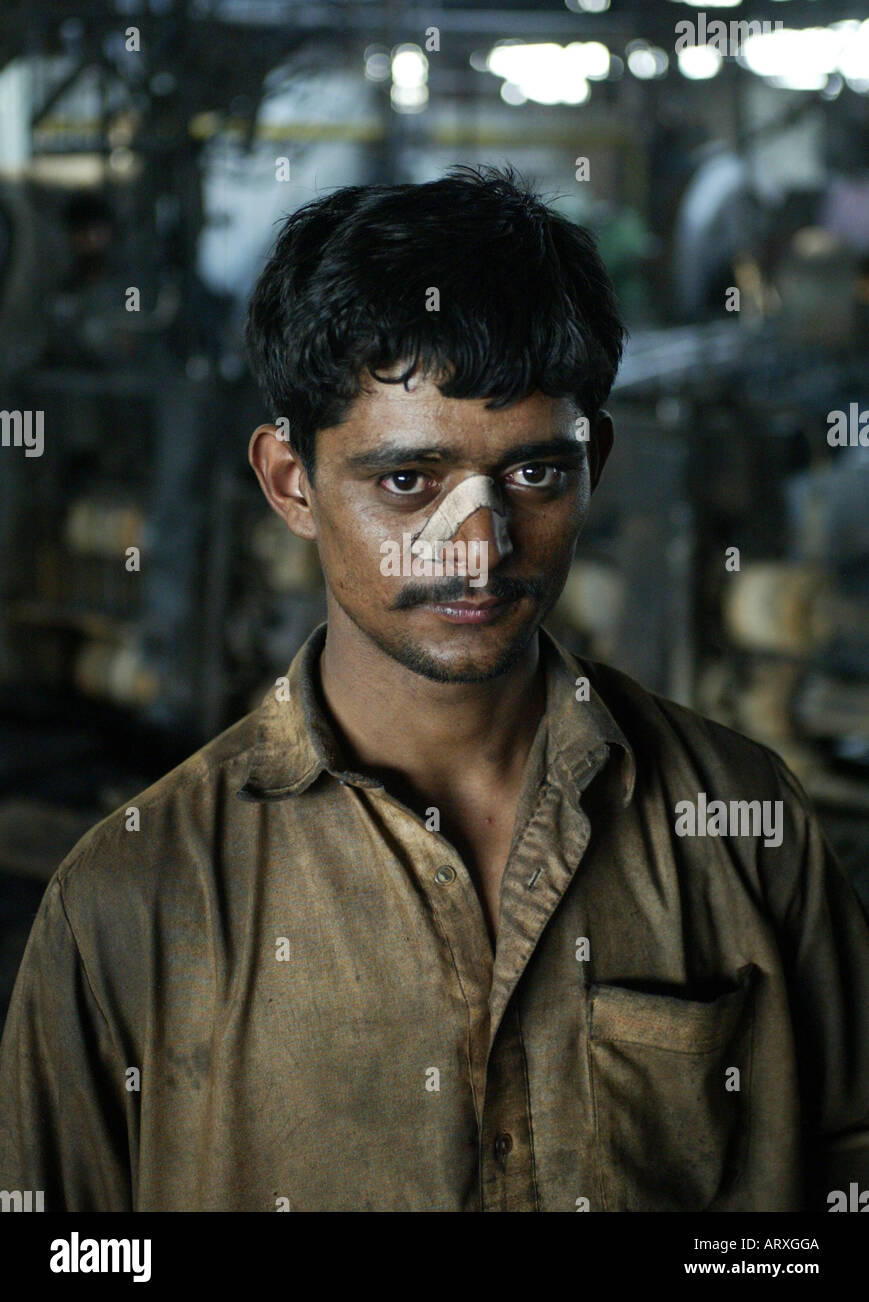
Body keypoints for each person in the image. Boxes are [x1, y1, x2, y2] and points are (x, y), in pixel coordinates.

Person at [1, 166, 867, 1212]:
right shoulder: (129, 902)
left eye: (534, 475)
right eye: (407, 481)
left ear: (593, 461)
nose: (479, 547)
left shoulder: (741, 833)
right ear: (290, 483)